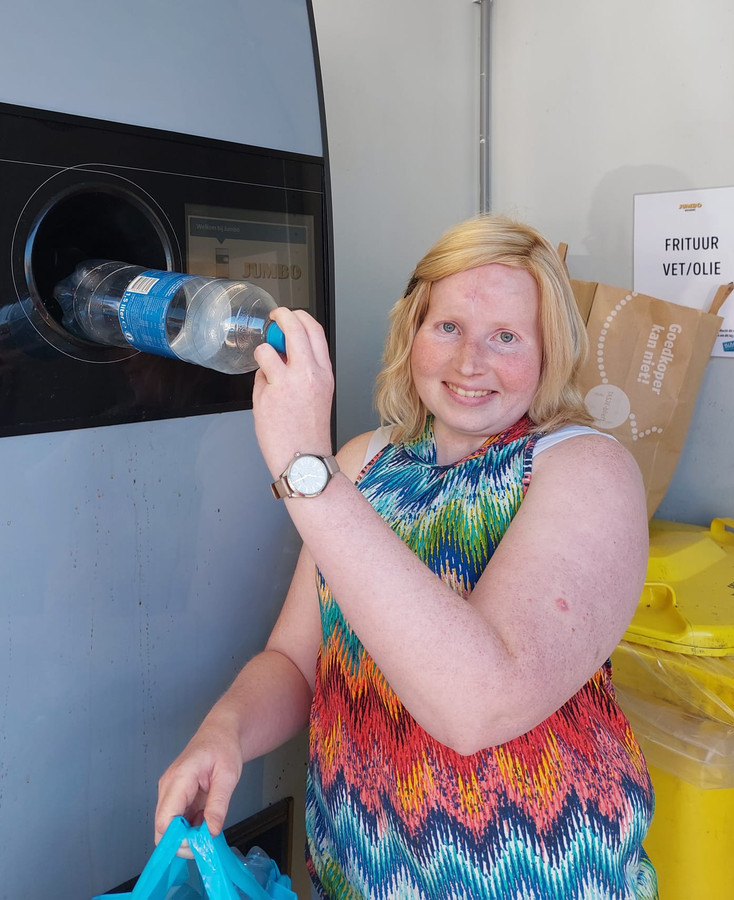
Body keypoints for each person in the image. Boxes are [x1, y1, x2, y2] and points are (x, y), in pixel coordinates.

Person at [155, 215, 658, 899]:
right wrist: (224, 732)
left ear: (549, 353)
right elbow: (296, 662)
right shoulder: (361, 464)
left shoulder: (584, 469)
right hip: (355, 877)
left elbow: (477, 707)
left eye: (505, 337)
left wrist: (305, 465)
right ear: (411, 333)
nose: (469, 362)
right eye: (447, 327)